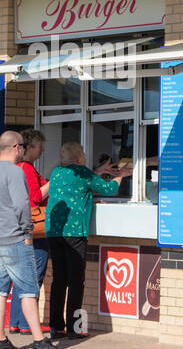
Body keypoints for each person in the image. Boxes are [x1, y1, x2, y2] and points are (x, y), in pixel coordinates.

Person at [0, 130, 66, 349]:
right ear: (16, 148)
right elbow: (22, 205)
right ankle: (39, 342)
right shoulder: (15, 171)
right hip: (15, 239)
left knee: (0, 291)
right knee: (29, 291)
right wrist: (28, 232)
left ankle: (0, 341)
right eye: (22, 146)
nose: (24, 150)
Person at [46, 142, 132, 338]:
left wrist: (98, 171)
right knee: (76, 280)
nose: (85, 156)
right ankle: (74, 329)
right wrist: (120, 176)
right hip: (74, 231)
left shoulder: (57, 173)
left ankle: (56, 326)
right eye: (83, 153)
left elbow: (78, 183)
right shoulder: (82, 172)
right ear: (79, 158)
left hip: (54, 232)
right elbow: (108, 189)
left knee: (59, 279)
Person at [8, 128, 50, 334]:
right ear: (30, 147)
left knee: (21, 278)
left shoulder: (18, 168)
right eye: (40, 147)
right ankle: (27, 324)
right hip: (35, 231)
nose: (42, 151)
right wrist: (54, 182)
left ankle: (16, 321)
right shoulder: (26, 168)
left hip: (18, 230)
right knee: (33, 278)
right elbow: (35, 197)